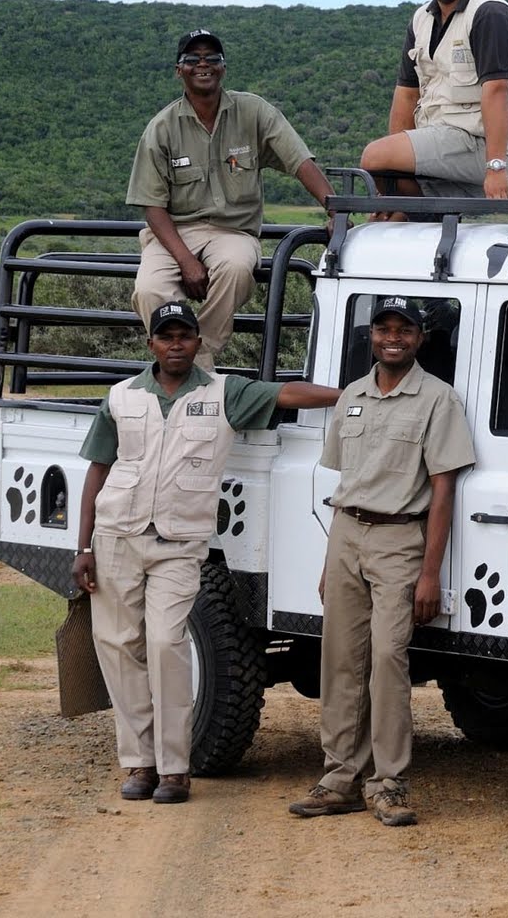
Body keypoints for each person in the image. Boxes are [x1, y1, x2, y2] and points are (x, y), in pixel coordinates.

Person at [73, 300, 342, 804]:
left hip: (178, 545)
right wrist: (83, 545)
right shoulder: (122, 397)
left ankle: (175, 769)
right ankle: (139, 763)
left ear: (199, 343)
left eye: (185, 335)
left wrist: (351, 394)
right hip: (115, 538)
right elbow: (97, 469)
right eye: (166, 336)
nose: (176, 344)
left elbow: (287, 393)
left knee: (167, 646)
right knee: (116, 645)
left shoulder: (226, 393)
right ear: (151, 343)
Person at [290, 295, 475, 826]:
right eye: (384, 328)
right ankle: (338, 777)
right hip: (347, 533)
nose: (393, 337)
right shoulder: (353, 395)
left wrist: (429, 573)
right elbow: (345, 483)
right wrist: (331, 561)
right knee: (340, 660)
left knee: (388, 662)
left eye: (405, 329)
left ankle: (388, 782)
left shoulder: (438, 399)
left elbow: (443, 491)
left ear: (421, 337)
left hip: (400, 540)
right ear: (371, 335)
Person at [127, 29, 334, 370]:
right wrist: (186, 261)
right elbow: (152, 206)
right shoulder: (161, 128)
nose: (203, 64)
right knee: (149, 289)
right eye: (192, 59)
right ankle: (177, 358)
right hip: (174, 234)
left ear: (223, 67)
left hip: (233, 232)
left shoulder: (253, 111)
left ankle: (198, 361)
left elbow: (298, 160)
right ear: (179, 70)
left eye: (212, 58)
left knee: (237, 269)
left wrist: (334, 209)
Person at [359, 0, 508, 200]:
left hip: (482, 145)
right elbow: (407, 93)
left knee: (374, 156)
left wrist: (496, 166)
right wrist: (395, 178)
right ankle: (416, 212)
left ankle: (413, 208)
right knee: (391, 210)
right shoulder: (421, 19)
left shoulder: (489, 12)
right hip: (441, 142)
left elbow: (497, 89)